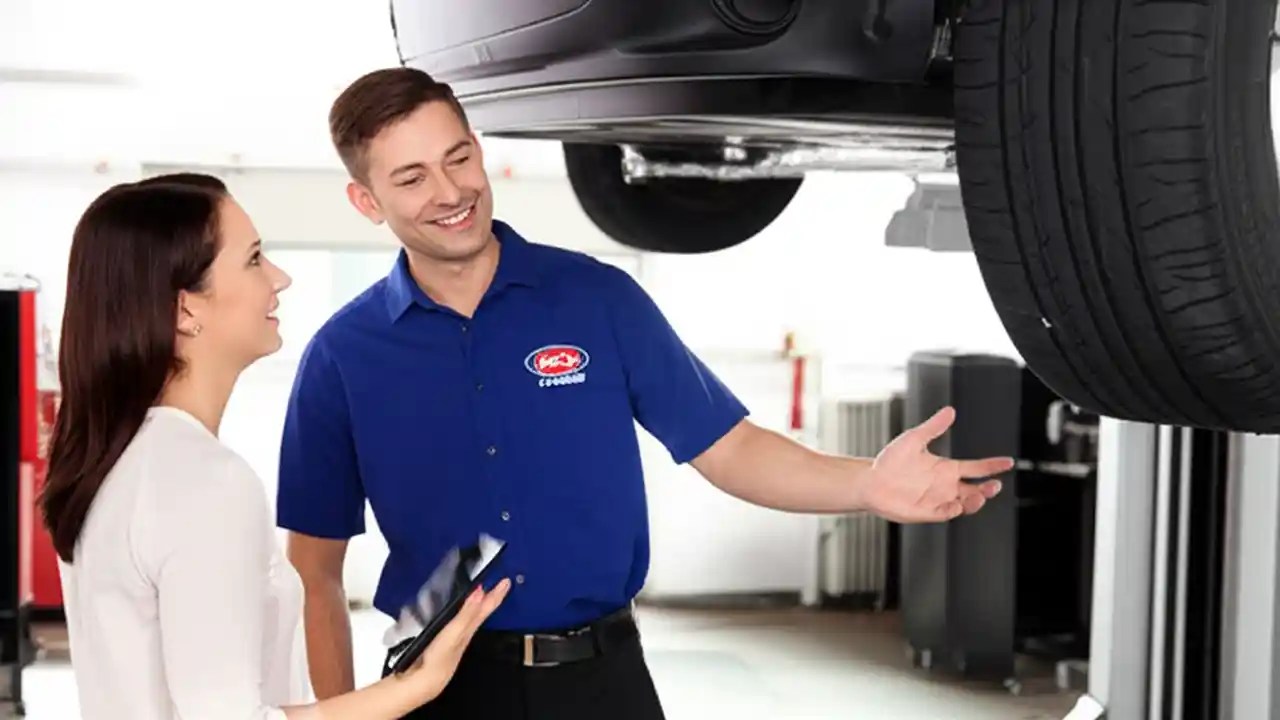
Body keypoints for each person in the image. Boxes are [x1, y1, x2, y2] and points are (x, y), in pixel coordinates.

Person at [277, 67, 1012, 720]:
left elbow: (729, 448)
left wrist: (867, 485)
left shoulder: (598, 300)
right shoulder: (342, 356)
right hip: (433, 691)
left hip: (600, 683)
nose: (450, 192)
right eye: (411, 178)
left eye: (459, 157)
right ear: (366, 201)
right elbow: (314, 573)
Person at [39, 173, 511, 720]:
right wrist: (414, 687)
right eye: (254, 260)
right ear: (186, 310)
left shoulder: (118, 462)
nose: (279, 278)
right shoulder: (205, 482)